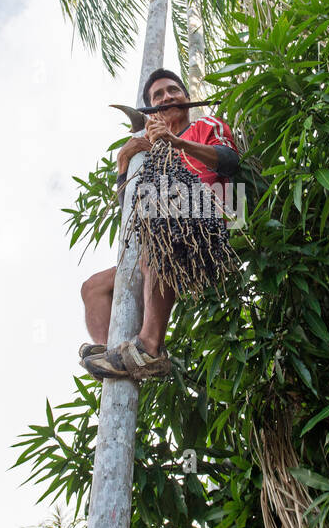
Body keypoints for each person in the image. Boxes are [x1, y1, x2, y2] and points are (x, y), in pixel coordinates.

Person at [79, 68, 240, 380]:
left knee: (158, 226)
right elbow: (129, 209)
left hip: (203, 226)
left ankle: (150, 347)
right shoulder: (150, 153)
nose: (167, 97)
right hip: (165, 232)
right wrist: (124, 164)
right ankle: (113, 355)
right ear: (151, 108)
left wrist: (177, 144)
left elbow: (230, 161)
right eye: (158, 95)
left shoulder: (207, 125)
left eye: (173, 90)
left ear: (187, 98)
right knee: (94, 287)